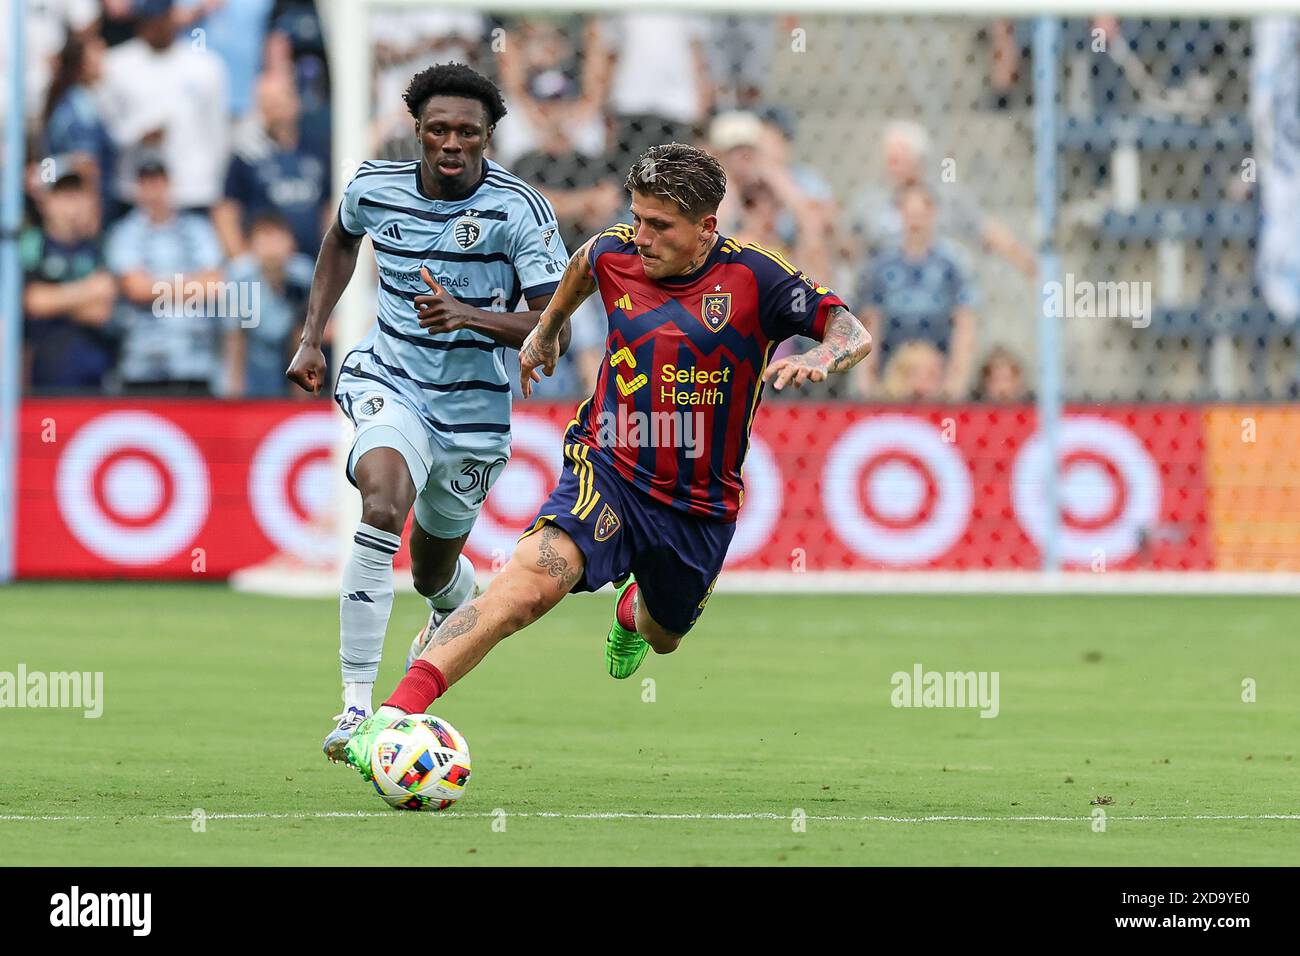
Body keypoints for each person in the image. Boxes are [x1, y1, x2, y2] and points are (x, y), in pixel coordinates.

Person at [339, 143, 872, 776]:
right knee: (525, 590)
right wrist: (544, 332)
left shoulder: (756, 277)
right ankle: (390, 720)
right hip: (608, 469)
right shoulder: (616, 250)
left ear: (707, 228)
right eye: (637, 217)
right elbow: (585, 263)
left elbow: (851, 331)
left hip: (698, 506)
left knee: (663, 635)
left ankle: (632, 606)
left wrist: (821, 356)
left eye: (659, 225)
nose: (639, 236)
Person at [285, 63, 571, 761]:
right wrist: (311, 335)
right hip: (391, 380)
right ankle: (356, 708)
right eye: (438, 129)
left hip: (474, 415)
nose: (451, 142)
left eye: (467, 132)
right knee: (382, 507)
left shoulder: (520, 211)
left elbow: (552, 326)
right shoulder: (374, 186)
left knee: (432, 569)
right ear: (417, 129)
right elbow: (341, 239)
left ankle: (451, 604)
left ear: (487, 137)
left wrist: (467, 315)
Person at [104, 155, 226, 394]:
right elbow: (135, 289)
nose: (153, 191)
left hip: (196, 364)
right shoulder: (124, 232)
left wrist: (154, 285)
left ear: (169, 185)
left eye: (158, 182)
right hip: (142, 365)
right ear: (138, 189)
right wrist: (192, 284)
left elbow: (215, 285)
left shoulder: (198, 229)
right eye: (146, 183)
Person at [855, 186, 978, 401]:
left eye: (921, 215)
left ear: (933, 215)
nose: (915, 223)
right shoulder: (881, 265)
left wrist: (956, 380)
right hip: (893, 366)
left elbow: (964, 321)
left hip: (937, 363)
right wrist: (867, 378)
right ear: (899, 215)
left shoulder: (952, 264)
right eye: (910, 215)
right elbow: (870, 321)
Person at [20, 163, 117, 393]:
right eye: (62, 196)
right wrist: (86, 293)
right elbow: (33, 302)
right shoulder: (31, 244)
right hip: (43, 380)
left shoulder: (99, 246)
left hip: (96, 379)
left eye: (76, 195)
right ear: (44, 202)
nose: (71, 205)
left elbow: (102, 310)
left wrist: (56, 300)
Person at [222, 211, 314, 397]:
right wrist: (233, 399)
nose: (272, 249)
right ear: (251, 246)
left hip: (286, 365)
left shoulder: (304, 275)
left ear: (291, 243)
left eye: (277, 239)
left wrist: (301, 397)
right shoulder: (240, 277)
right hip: (251, 369)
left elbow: (302, 336)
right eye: (264, 240)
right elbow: (236, 339)